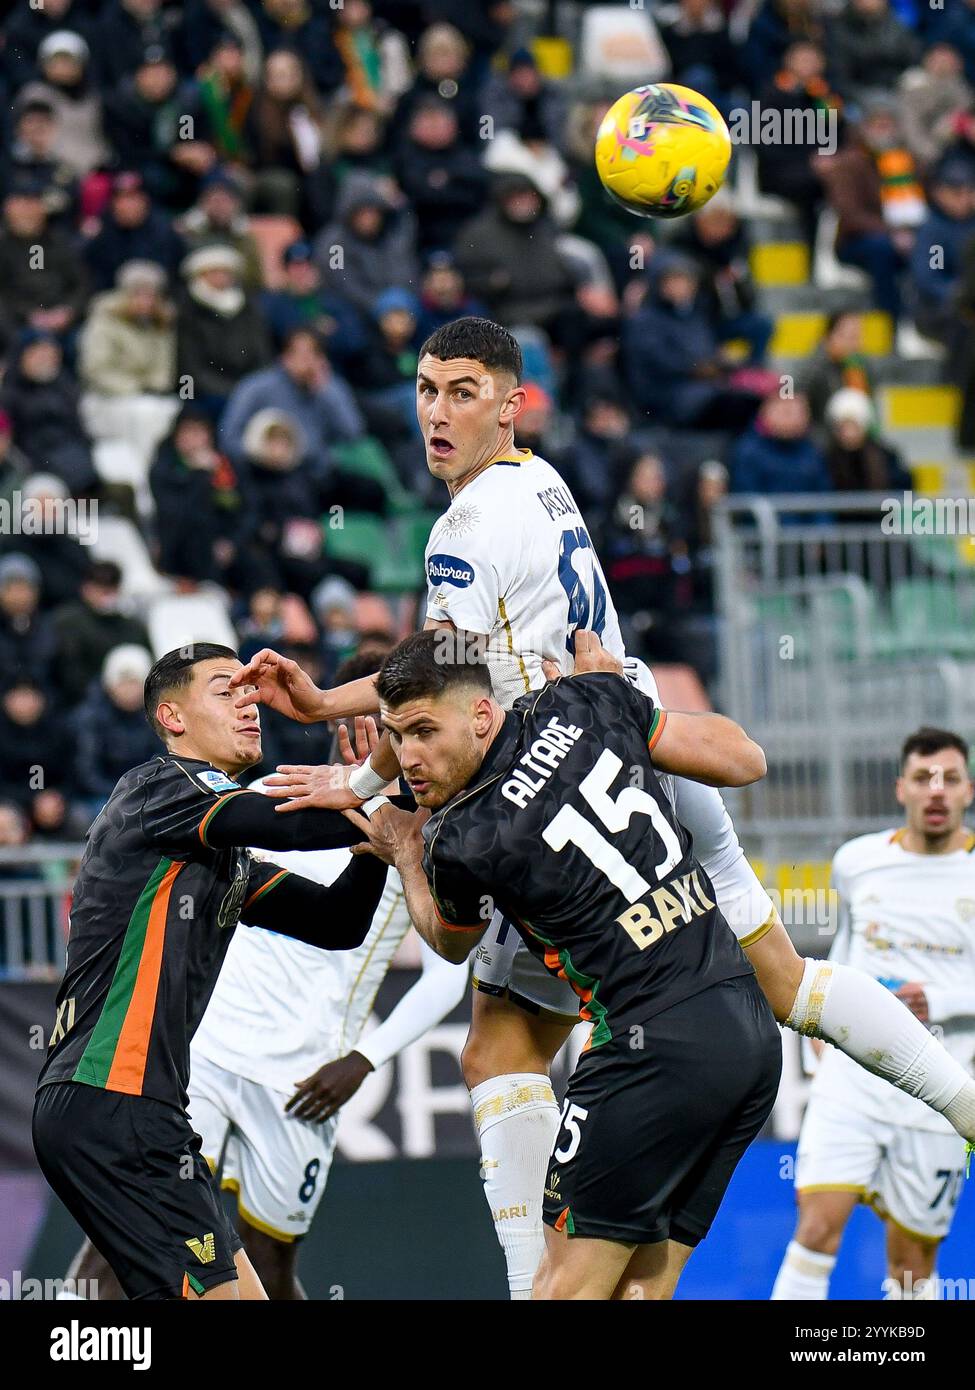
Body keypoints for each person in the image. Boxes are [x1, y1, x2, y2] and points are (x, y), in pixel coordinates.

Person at [231, 316, 975, 1298]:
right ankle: (964, 1099)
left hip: (553, 796)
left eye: (463, 390)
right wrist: (332, 702)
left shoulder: (461, 530)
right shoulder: (542, 480)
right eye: (424, 388)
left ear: (511, 401)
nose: (437, 410)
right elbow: (455, 670)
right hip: (637, 737)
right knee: (786, 985)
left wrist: (362, 782)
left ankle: (529, 1280)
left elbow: (440, 691)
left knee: (500, 1043)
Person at [343, 629, 781, 1300]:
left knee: (561, 1292)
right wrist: (618, 692)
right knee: (639, 1293)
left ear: (481, 714)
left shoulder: (462, 841)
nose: (408, 758)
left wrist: (405, 852)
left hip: (648, 1052)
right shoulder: (584, 702)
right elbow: (746, 759)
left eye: (424, 731)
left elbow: (451, 941)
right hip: (744, 1032)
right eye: (396, 737)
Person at [31, 642, 395, 1301]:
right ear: (171, 717)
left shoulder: (211, 856)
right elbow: (286, 825)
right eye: (226, 691)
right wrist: (374, 788)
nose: (249, 702)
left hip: (126, 1109)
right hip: (116, 1099)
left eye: (250, 693)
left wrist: (374, 838)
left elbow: (336, 922)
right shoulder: (162, 788)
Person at [773, 727, 975, 1301]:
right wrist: (826, 1014)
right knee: (815, 1228)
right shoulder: (857, 862)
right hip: (853, 1081)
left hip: (941, 1092)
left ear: (969, 791)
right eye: (922, 779)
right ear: (900, 789)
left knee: (912, 1263)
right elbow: (849, 942)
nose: (936, 792)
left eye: (949, 780)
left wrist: (939, 1002)